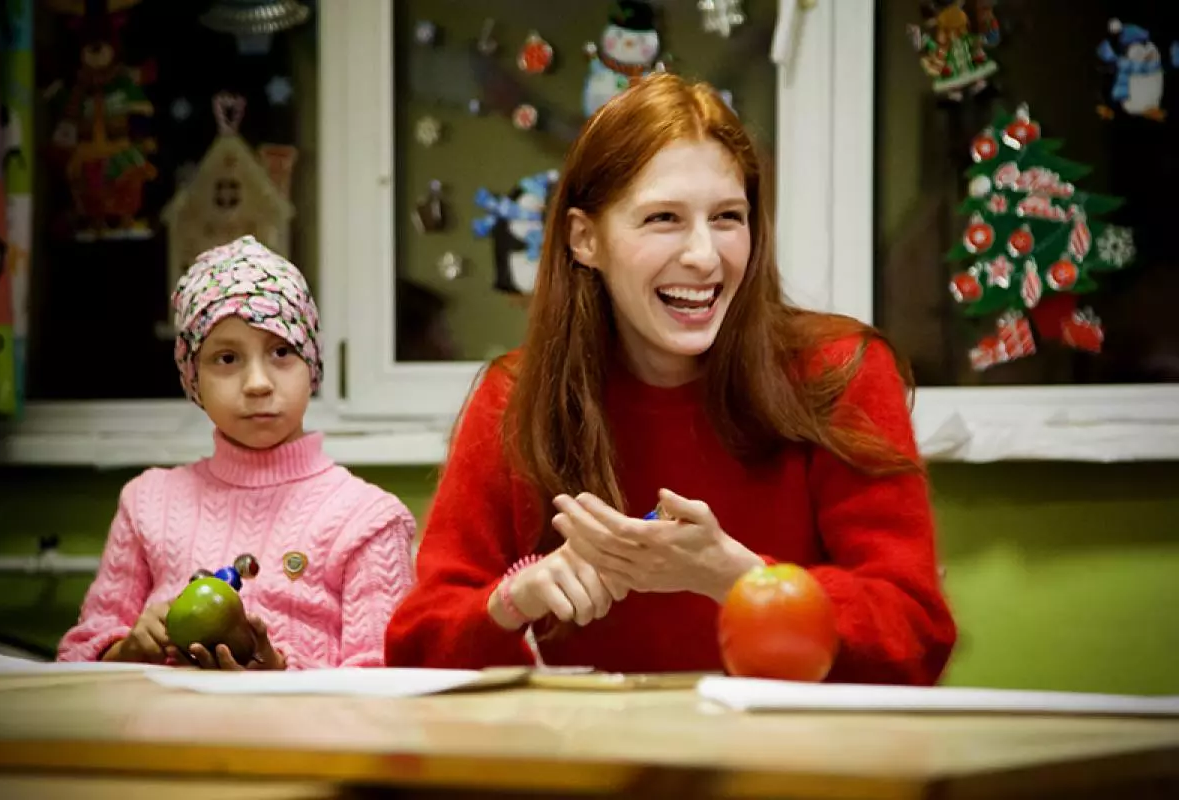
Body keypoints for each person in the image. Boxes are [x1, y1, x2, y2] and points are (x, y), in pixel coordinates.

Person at [384, 73, 956, 685]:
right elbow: (418, 648)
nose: (705, 256)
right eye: (663, 218)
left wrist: (740, 578)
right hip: (602, 765)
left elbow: (915, 635)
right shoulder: (514, 396)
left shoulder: (839, 370)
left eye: (728, 217)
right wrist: (513, 599)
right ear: (585, 239)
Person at [57, 235, 416, 670]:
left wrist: (281, 676)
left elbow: (384, 686)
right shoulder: (147, 503)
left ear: (312, 365)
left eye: (281, 351)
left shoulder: (369, 520)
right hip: (163, 737)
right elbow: (76, 657)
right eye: (227, 358)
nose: (258, 383)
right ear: (193, 379)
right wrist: (129, 649)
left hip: (304, 740)